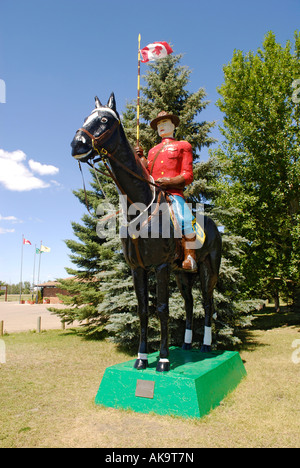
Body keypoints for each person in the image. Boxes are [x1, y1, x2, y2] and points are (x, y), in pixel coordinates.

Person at [137, 110, 197, 271]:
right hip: (154, 195)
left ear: (173, 125)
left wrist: (170, 181)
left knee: (183, 217)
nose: (161, 127)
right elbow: (147, 175)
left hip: (173, 193)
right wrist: (140, 159)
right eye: (159, 125)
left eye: (165, 123)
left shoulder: (183, 146)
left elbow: (188, 175)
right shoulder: (152, 151)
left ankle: (190, 255)